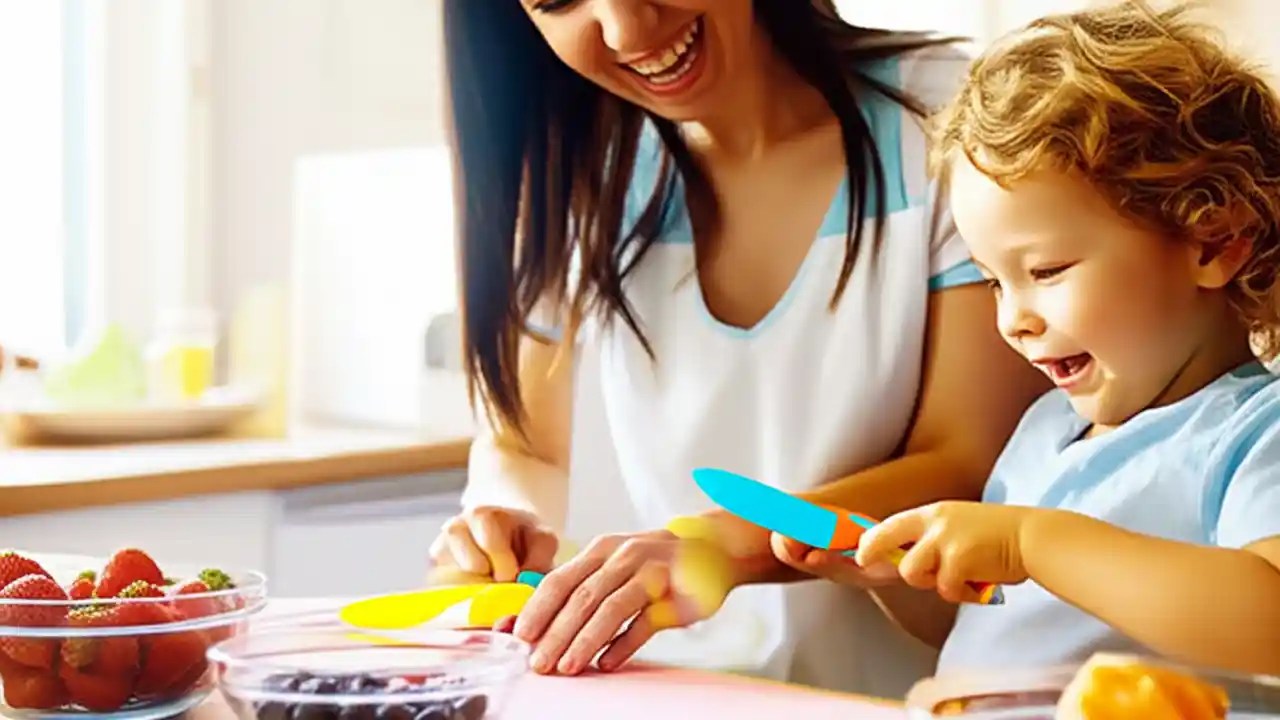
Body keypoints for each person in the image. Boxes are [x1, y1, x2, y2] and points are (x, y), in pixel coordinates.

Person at [432, 0, 1046, 696]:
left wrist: (723, 544)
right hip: (646, 696)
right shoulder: (574, 164)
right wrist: (507, 525)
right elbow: (528, 446)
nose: (628, 29)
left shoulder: (952, 124)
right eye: (557, 0)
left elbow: (967, 460)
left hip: (887, 697)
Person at [785, 1, 1280, 679]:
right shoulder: (1043, 432)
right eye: (992, 281)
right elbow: (999, 627)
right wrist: (900, 576)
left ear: (1215, 239)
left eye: (1045, 271)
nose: (1012, 319)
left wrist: (1031, 541)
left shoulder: (1258, 431)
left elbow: (1271, 623)